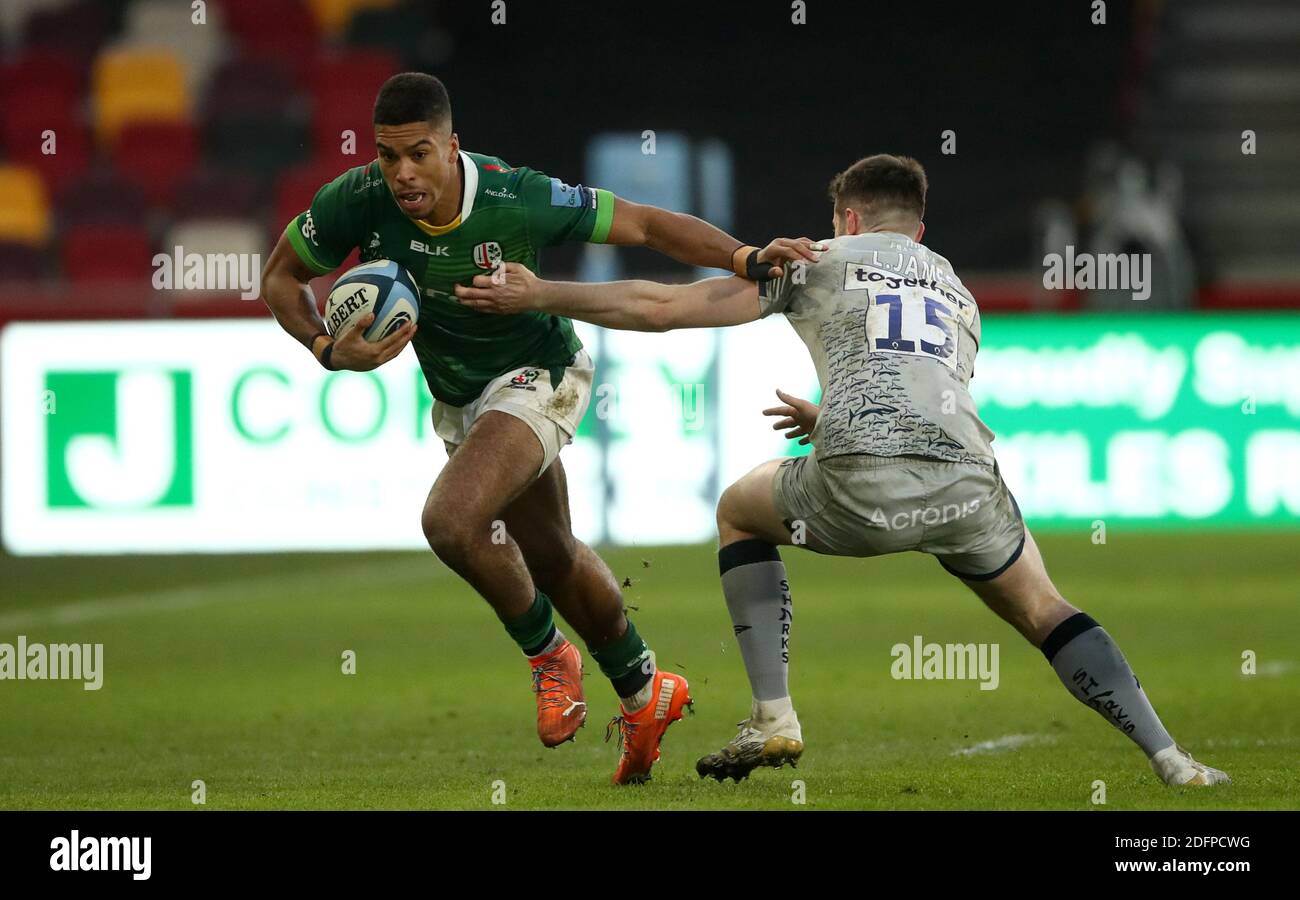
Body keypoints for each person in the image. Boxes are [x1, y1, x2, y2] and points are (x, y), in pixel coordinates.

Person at [454, 153, 1230, 788]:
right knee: (1045, 607)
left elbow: (661, 307)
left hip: (855, 481)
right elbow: (929, 392)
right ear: (919, 229)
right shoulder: (958, 289)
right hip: (965, 480)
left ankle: (775, 715)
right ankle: (1172, 758)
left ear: (848, 221)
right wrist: (833, 415)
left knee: (738, 509)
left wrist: (542, 293)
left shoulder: (819, 260)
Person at [259, 72, 815, 784]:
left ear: (451, 146)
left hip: (538, 376)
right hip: (462, 400)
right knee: (550, 555)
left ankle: (550, 653)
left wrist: (743, 257)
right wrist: (327, 350)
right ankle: (647, 692)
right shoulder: (357, 200)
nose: (401, 173)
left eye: (418, 154)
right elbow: (280, 275)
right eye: (387, 155)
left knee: (452, 520)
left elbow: (644, 223)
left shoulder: (515, 196)